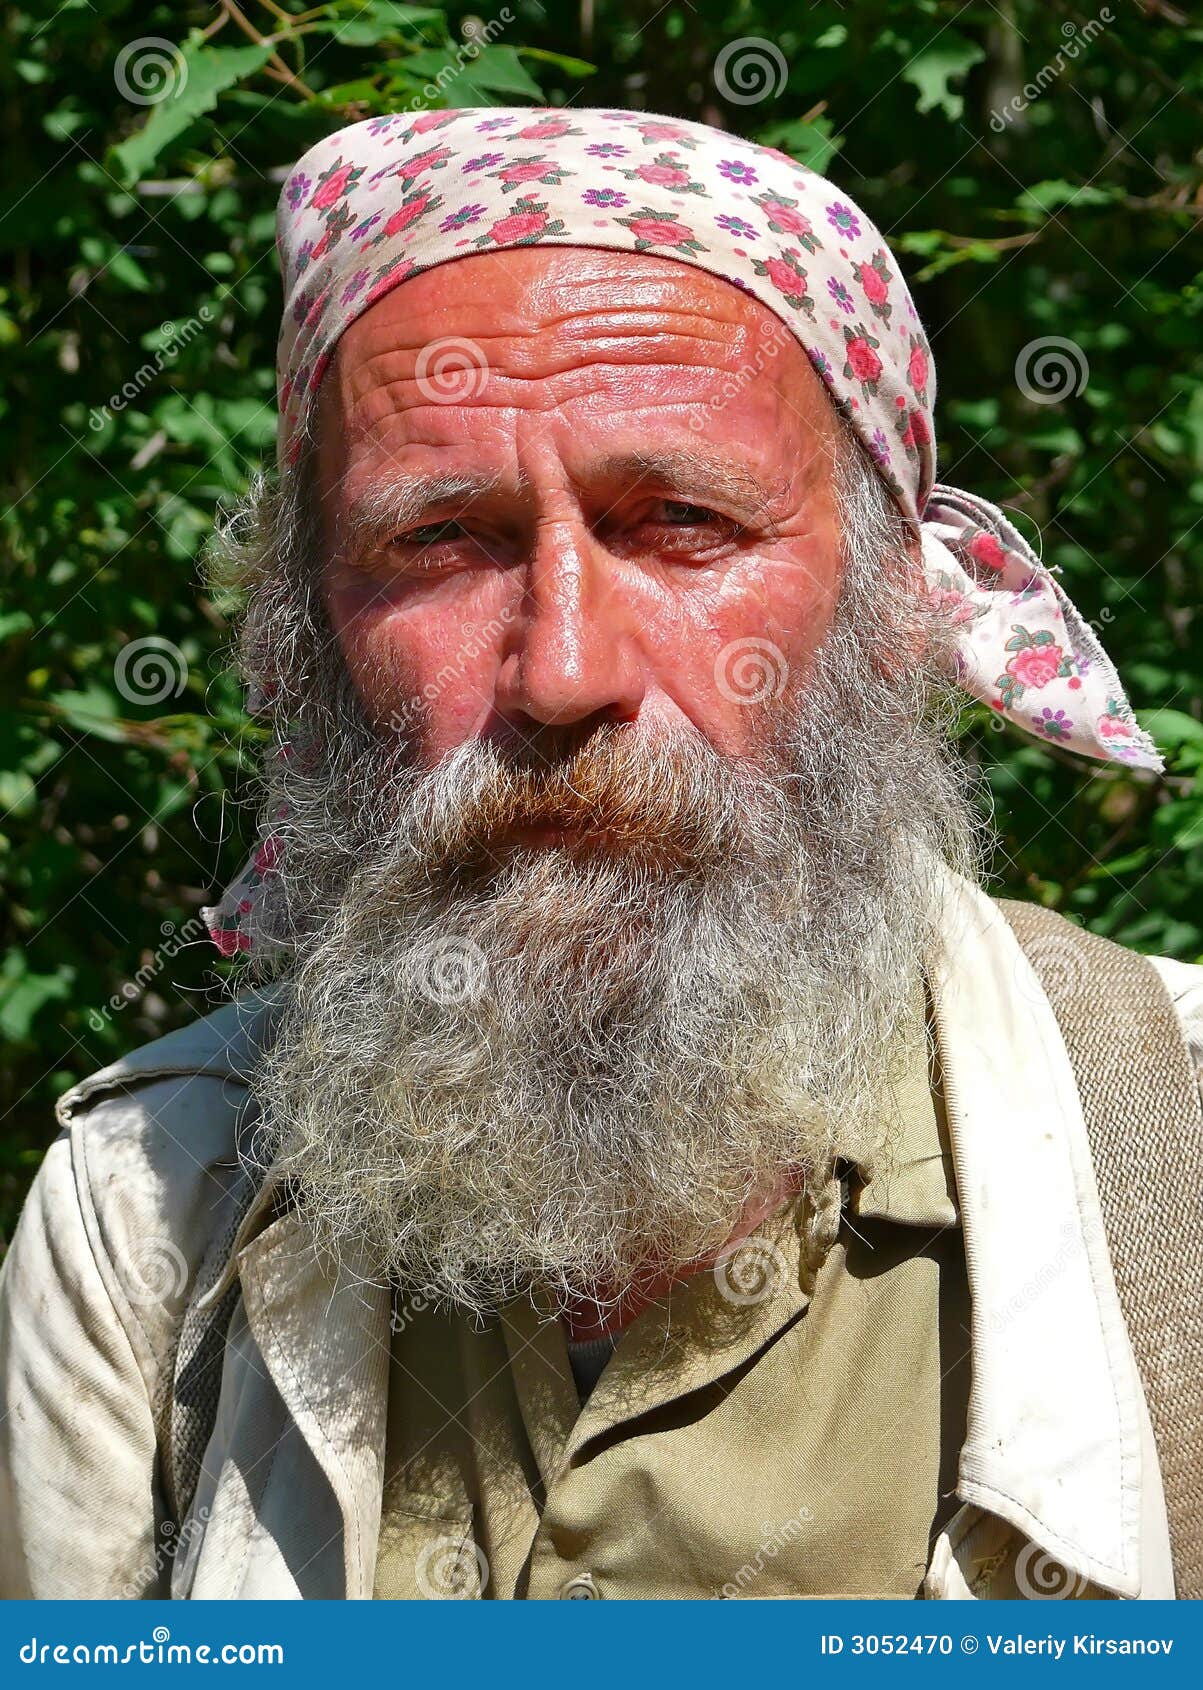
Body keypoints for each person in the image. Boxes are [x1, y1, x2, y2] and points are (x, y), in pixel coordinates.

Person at [1, 107, 1199, 1603]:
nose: (561, 669)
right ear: (307, 639)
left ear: (901, 602)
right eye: (443, 538)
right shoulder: (141, 1220)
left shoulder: (1180, 1147)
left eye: (682, 522)